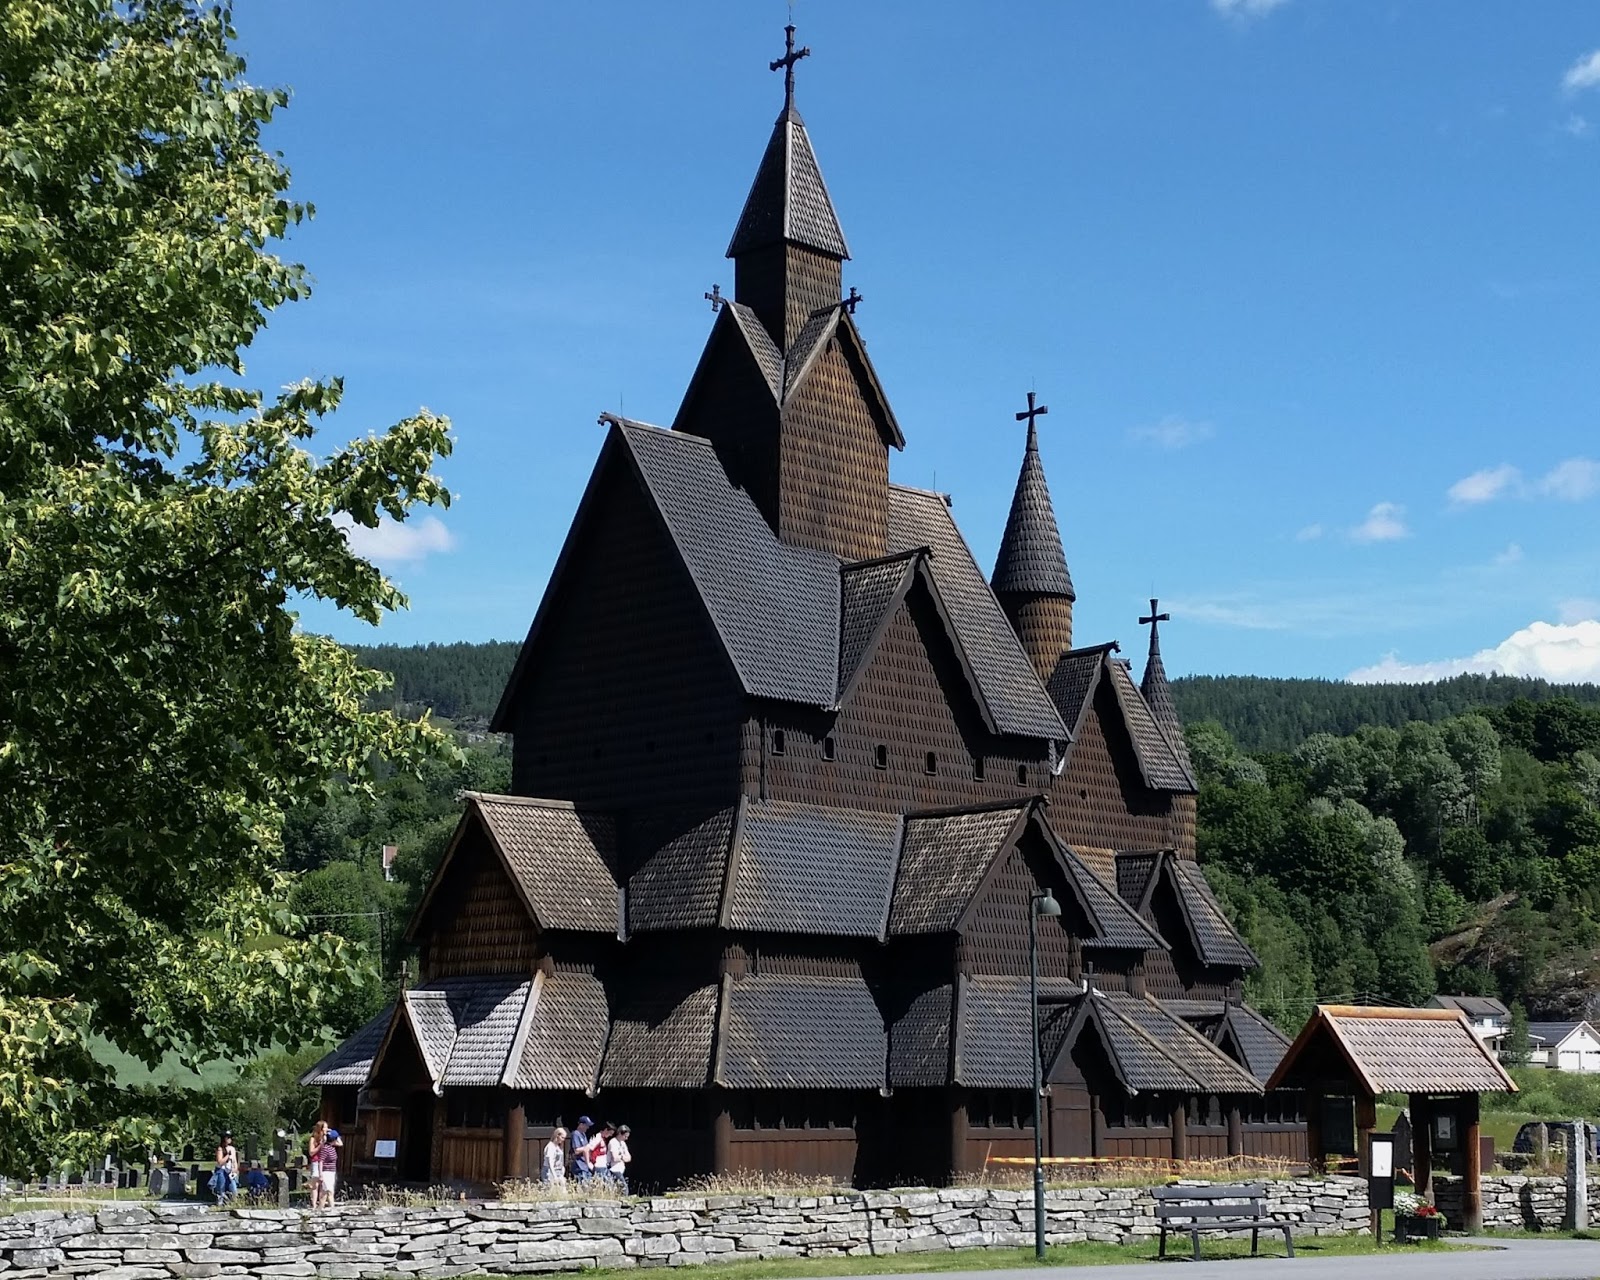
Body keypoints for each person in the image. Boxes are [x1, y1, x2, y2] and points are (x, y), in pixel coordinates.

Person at [308, 1120, 342, 1208]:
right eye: (325, 1127)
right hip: (317, 1161)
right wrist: (321, 1145)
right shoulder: (314, 1138)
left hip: (326, 1166)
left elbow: (339, 1143)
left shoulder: (328, 1138)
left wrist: (335, 1134)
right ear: (321, 1129)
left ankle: (321, 1203)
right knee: (315, 1184)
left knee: (324, 1187)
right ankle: (314, 1205)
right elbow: (311, 1152)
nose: (327, 1129)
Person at [211, 1131, 238, 1205]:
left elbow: (235, 1160)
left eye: (230, 1137)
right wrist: (227, 1156)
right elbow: (220, 1162)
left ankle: (233, 1202)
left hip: (230, 1172)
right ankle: (220, 1202)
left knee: (233, 1189)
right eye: (228, 1137)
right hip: (221, 1171)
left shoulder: (232, 1149)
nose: (230, 1139)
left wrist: (235, 1169)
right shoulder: (220, 1149)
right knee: (221, 1188)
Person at [606, 1125, 632, 1192]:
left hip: (621, 1169)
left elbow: (629, 1158)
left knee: (618, 1190)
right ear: (620, 1133)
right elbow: (615, 1158)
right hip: (614, 1169)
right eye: (625, 1136)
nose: (626, 1138)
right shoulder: (613, 1142)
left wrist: (621, 1156)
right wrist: (623, 1157)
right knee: (625, 1189)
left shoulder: (623, 1143)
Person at [569, 1117, 592, 1181]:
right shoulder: (575, 1134)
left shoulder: (584, 1134)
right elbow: (576, 1150)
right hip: (579, 1165)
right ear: (581, 1125)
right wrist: (587, 1147)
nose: (588, 1127)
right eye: (586, 1125)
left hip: (585, 1164)